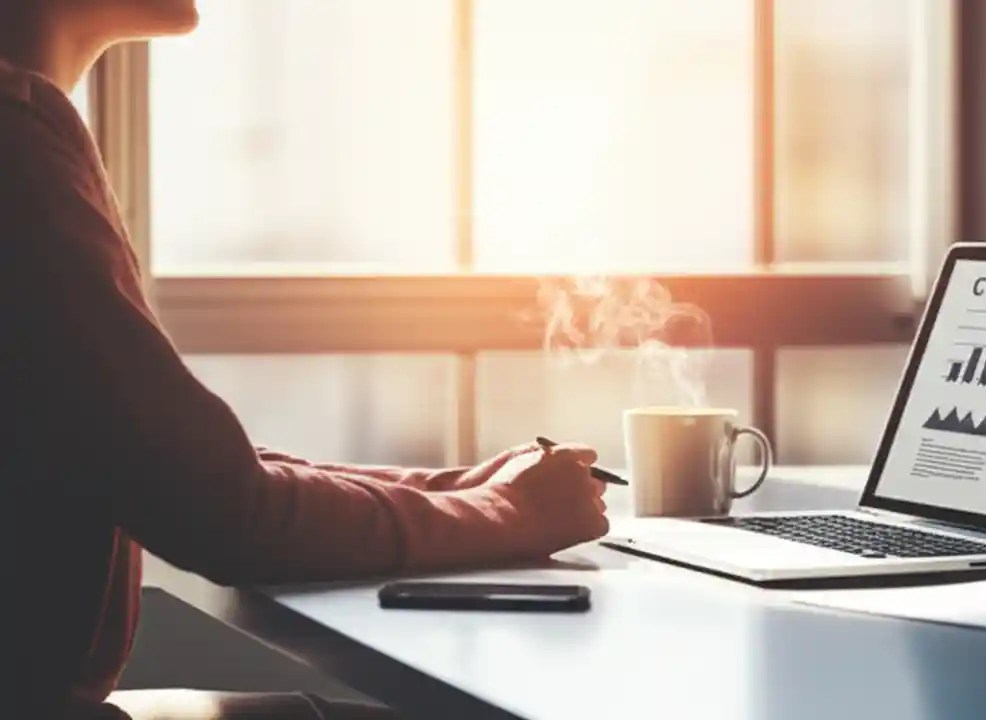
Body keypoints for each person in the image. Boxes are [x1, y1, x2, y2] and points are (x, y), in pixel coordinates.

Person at [0, 1, 610, 718]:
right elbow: (222, 512)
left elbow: (168, 460)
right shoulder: (16, 145)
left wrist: (460, 489)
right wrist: (501, 509)